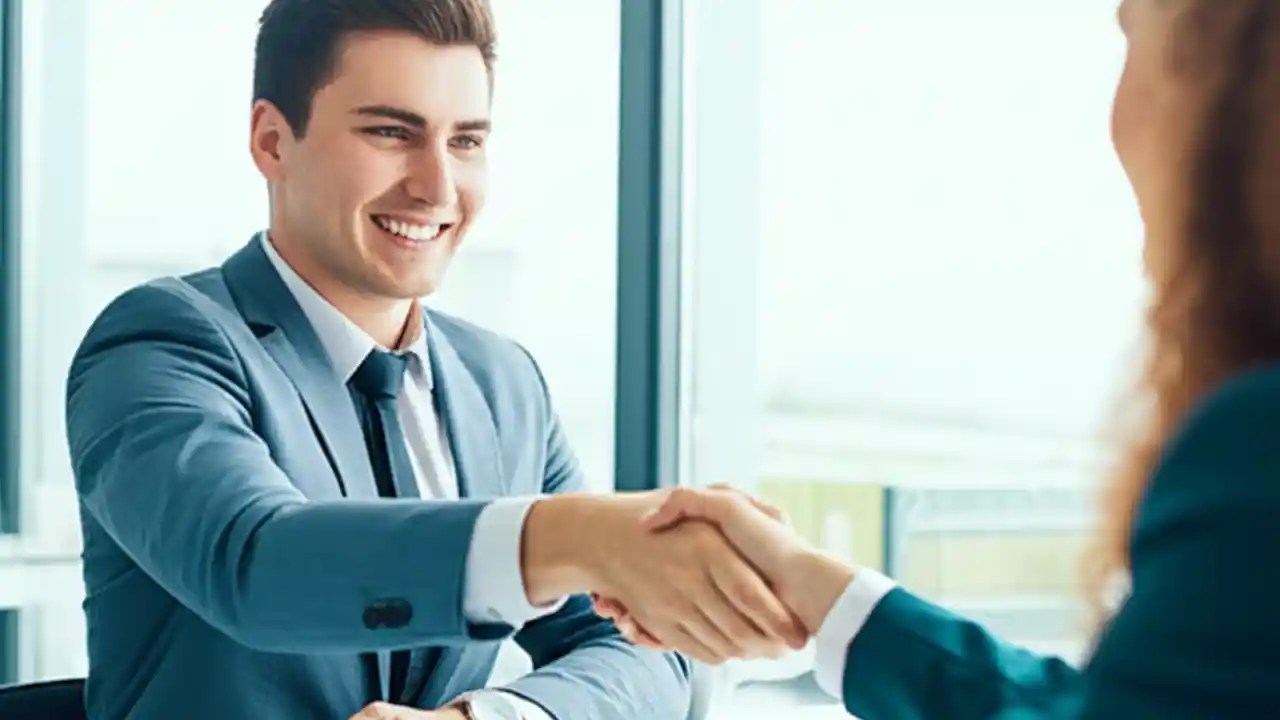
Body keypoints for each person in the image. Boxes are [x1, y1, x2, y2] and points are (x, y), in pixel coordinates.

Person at [64, 1, 806, 719]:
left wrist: (487, 716)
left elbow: (635, 649)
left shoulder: (502, 382)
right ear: (271, 141)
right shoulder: (162, 343)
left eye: (467, 142)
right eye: (392, 132)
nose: (438, 187)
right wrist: (576, 537)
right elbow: (259, 564)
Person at [598, 0, 1280, 717]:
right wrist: (820, 592)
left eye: (1131, 36)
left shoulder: (1254, 450)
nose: (1111, 123)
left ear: (1225, 87)